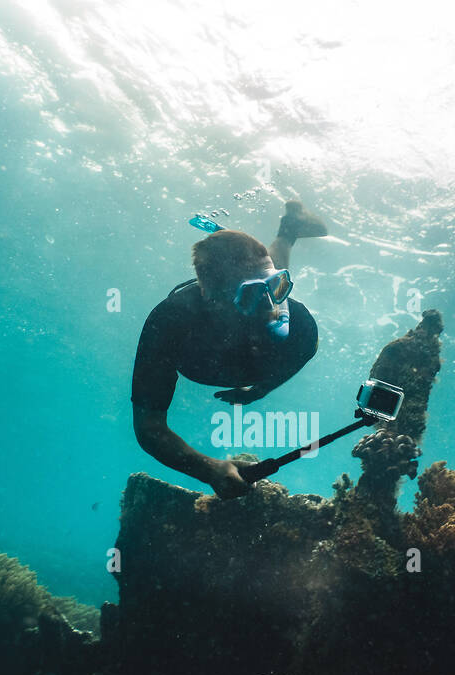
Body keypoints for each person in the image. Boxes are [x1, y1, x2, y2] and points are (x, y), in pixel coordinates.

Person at [131, 199, 328, 499]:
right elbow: (149, 426)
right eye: (250, 295)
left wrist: (262, 389)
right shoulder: (170, 324)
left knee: (270, 266)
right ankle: (284, 236)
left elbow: (301, 354)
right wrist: (209, 469)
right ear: (210, 297)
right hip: (202, 342)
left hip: (243, 354)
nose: (271, 307)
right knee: (261, 274)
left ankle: (289, 229)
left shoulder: (299, 325)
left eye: (277, 286)